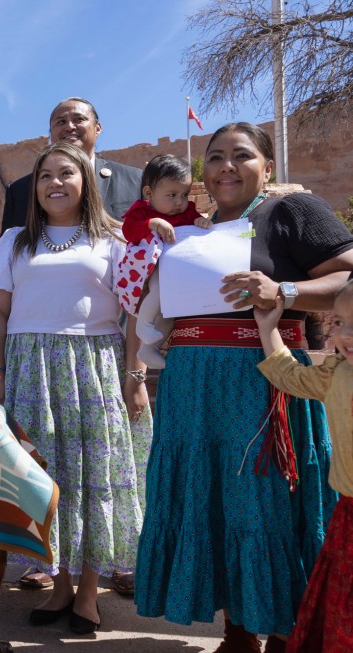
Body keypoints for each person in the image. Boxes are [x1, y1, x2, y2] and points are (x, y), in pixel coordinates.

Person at [134, 123, 353, 653]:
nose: (225, 166)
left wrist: (286, 289)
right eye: (214, 158)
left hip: (262, 377)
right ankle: (236, 628)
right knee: (213, 498)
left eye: (241, 156)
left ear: (268, 168)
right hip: (190, 384)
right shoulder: (194, 231)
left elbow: (350, 277)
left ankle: (282, 630)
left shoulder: (292, 213)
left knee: (266, 498)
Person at [0, 143, 150, 635]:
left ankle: (90, 593)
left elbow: (135, 312)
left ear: (86, 182)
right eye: (45, 175)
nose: (55, 183)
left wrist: (135, 376)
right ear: (35, 188)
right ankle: (60, 586)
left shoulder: (114, 239)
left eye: (66, 174)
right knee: (48, 479)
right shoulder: (13, 241)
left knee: (94, 477)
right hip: (30, 370)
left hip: (94, 368)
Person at [254, 283, 353, 653]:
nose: (344, 334)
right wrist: (268, 329)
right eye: (340, 322)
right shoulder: (337, 372)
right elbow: (291, 377)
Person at [116, 154, 211, 368]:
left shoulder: (187, 211)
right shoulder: (142, 211)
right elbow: (129, 231)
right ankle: (143, 326)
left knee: (173, 311)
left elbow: (196, 223)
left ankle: (149, 349)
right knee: (159, 291)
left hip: (178, 268)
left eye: (184, 194)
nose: (180, 202)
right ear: (149, 193)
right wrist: (151, 223)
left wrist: (201, 221)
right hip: (154, 266)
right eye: (172, 195)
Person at [0, 97, 142, 234]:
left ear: (97, 128)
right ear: (50, 133)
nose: (69, 127)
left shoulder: (135, 180)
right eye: (61, 122)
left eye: (79, 119)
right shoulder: (21, 191)